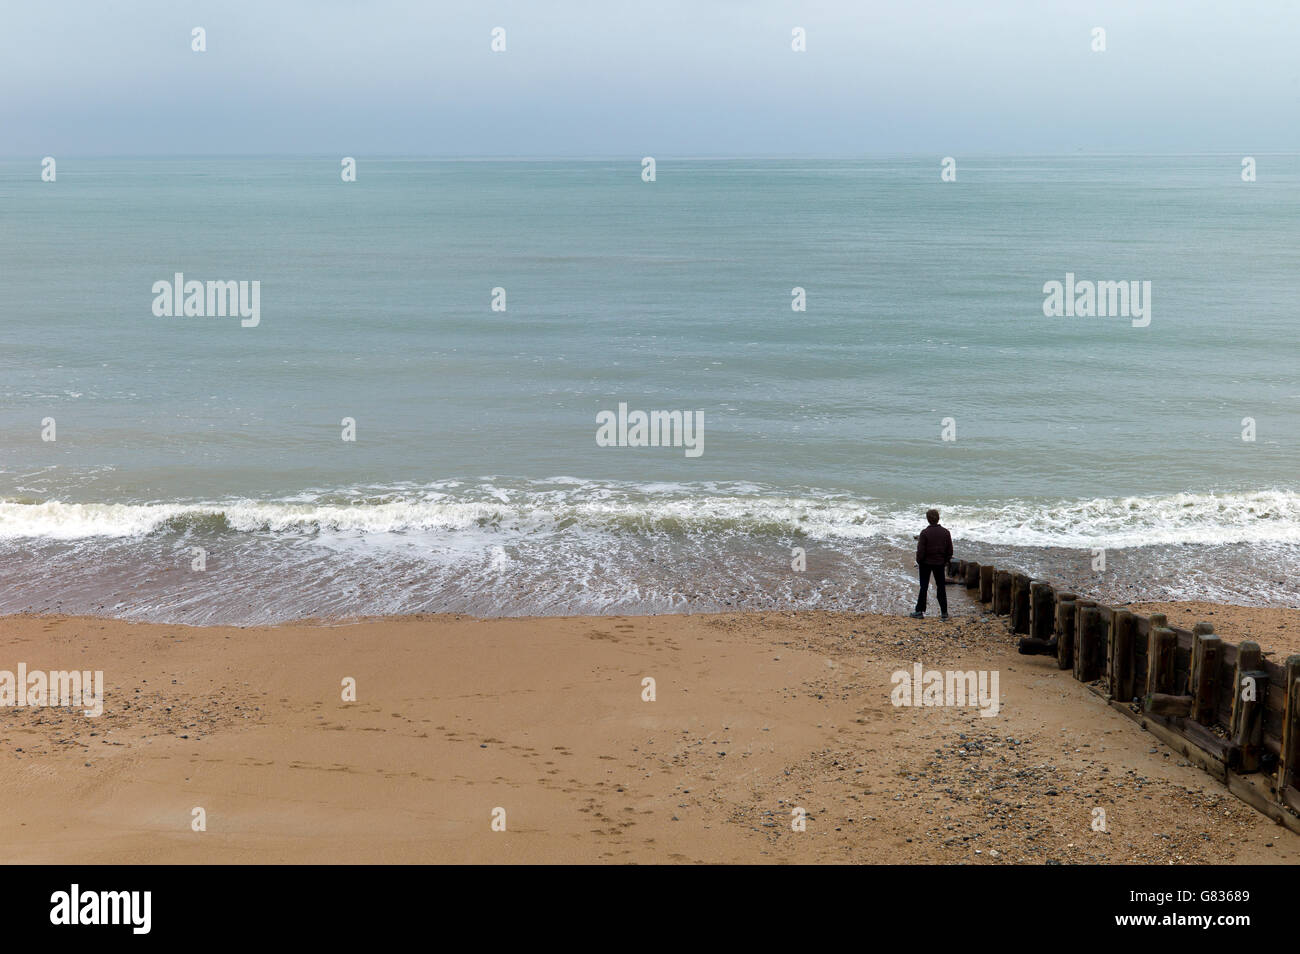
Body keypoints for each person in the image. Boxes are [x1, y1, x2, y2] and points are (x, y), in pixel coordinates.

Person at [909, 508, 952, 620]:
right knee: (941, 587)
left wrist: (919, 561)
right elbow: (950, 551)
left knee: (924, 587)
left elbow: (921, 551)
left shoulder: (924, 533)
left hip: (926, 563)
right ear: (938, 519)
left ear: (928, 519)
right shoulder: (946, 532)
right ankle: (944, 612)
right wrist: (945, 561)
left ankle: (919, 611)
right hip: (939, 563)